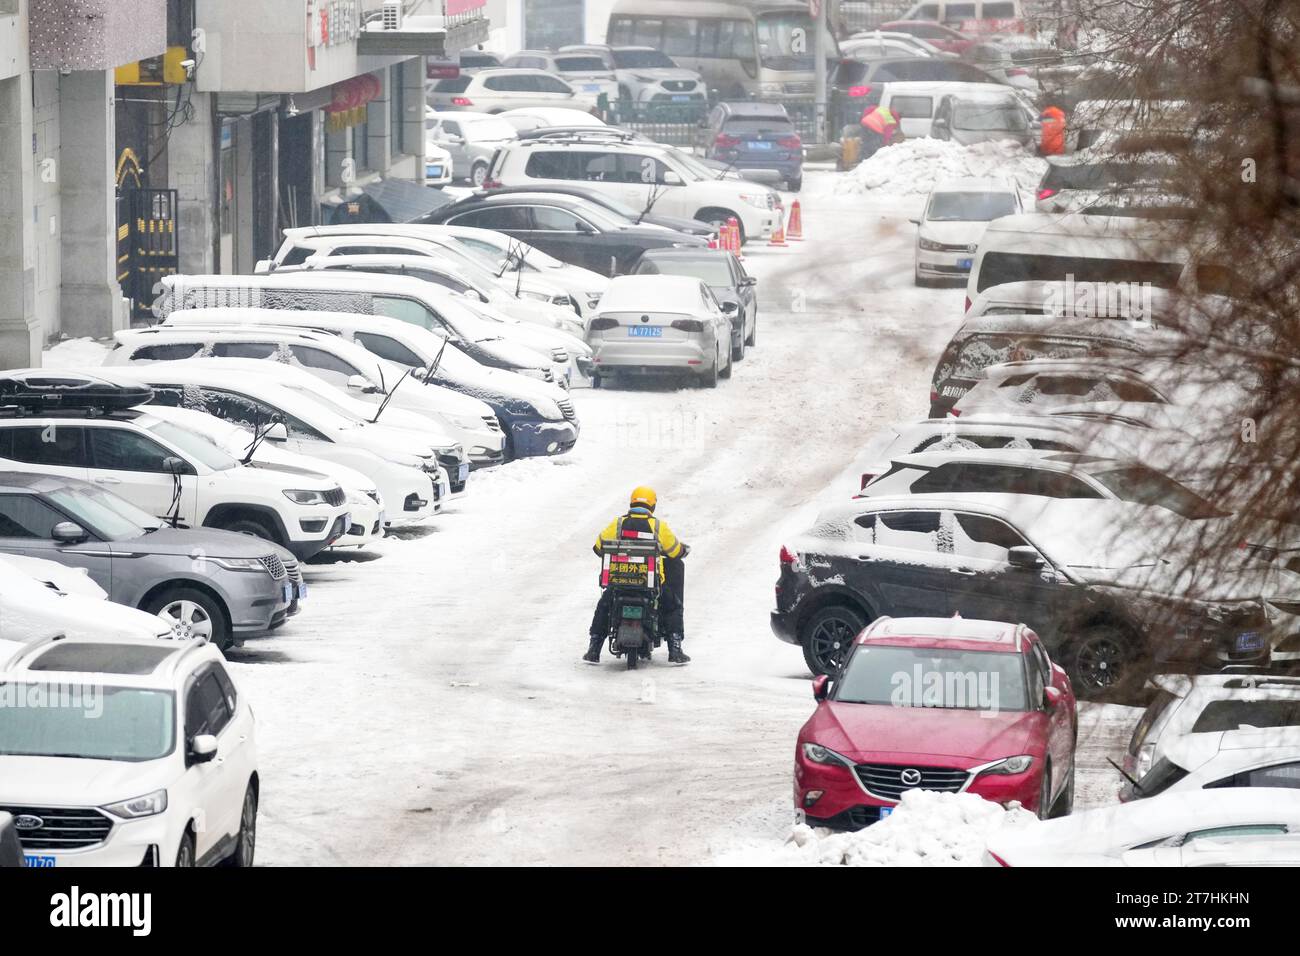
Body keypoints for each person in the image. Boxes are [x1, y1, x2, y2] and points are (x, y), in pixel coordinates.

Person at [585, 486, 690, 665]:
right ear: (652, 506)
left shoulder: (618, 523)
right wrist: (683, 550)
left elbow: (598, 547)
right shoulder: (657, 526)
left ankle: (594, 648)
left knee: (604, 606)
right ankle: (675, 649)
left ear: (632, 503)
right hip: (650, 584)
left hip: (619, 583)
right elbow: (674, 551)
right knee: (673, 606)